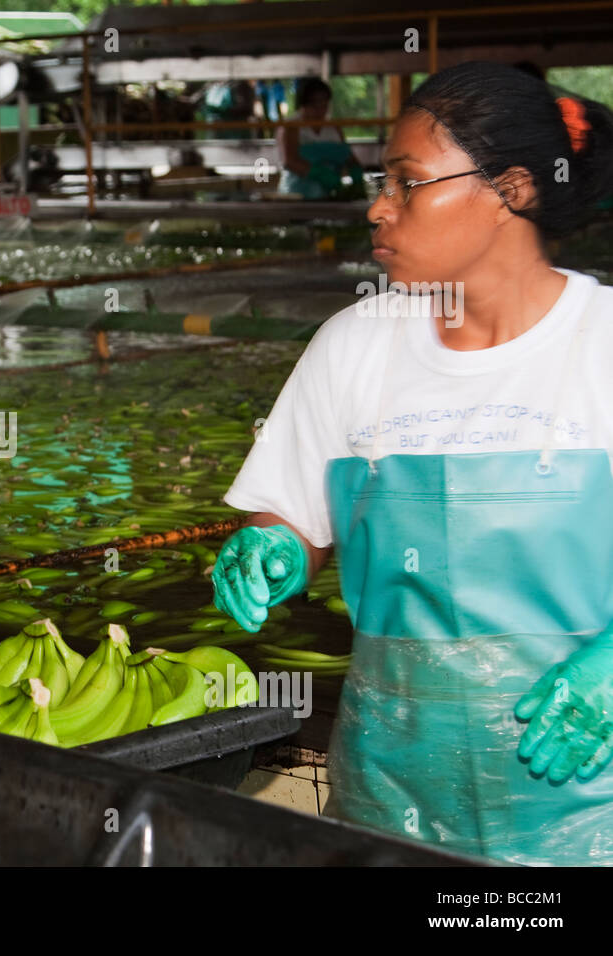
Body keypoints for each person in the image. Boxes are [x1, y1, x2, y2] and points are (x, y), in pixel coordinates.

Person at [212, 61, 613, 865]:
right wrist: (278, 546)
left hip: (584, 820)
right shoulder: (354, 345)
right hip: (389, 805)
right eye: (380, 181)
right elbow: (294, 511)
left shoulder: (601, 346)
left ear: (514, 191)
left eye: (407, 182)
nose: (377, 207)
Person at [275, 77, 363, 199]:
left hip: (329, 195)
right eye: (316, 102)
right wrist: (318, 174)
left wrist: (357, 174)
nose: (321, 108)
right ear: (304, 103)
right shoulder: (291, 126)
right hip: (296, 195)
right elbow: (289, 161)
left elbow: (349, 157)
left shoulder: (333, 127)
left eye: (324, 102)